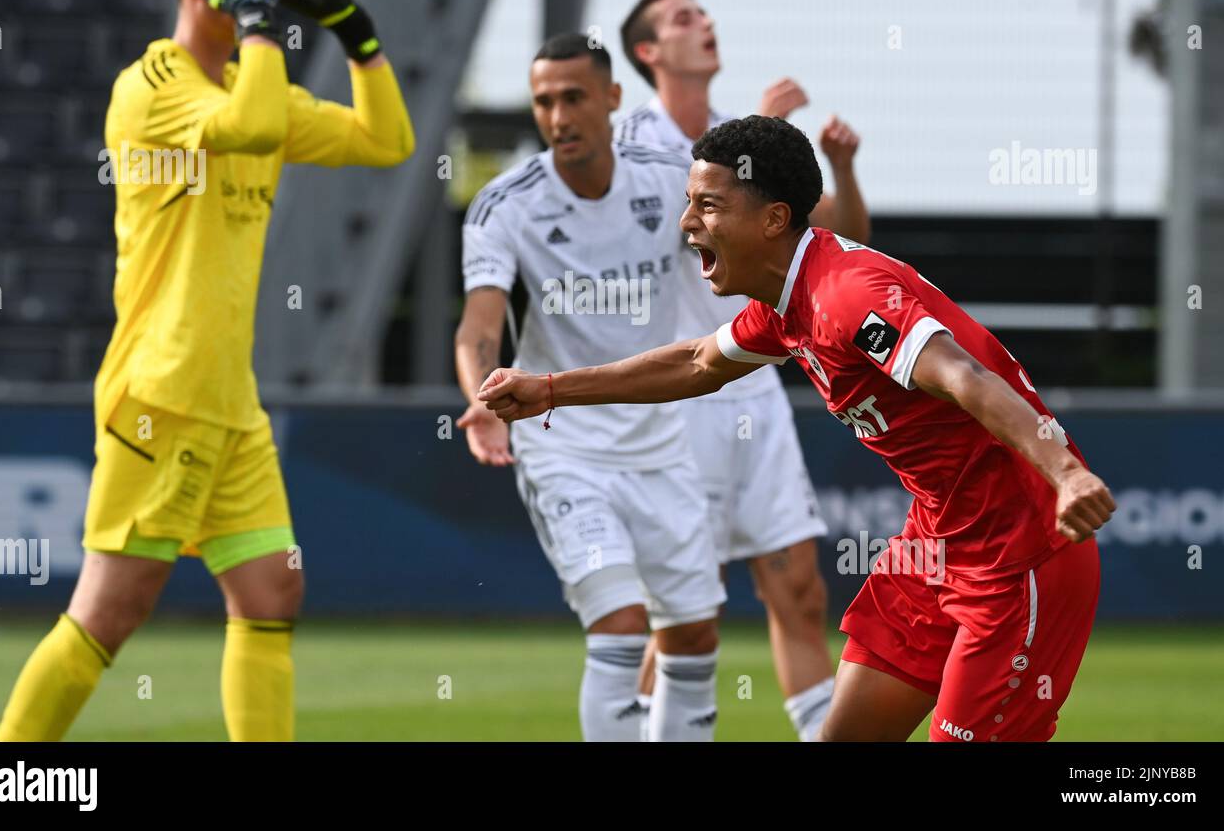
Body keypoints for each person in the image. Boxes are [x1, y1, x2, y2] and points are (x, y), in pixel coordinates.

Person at [478, 115, 1115, 742]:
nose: (687, 223)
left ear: (773, 219)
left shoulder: (845, 296)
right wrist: (550, 389)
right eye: (688, 202)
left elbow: (966, 378)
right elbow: (698, 363)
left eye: (708, 205)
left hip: (1024, 555)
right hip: (937, 547)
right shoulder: (786, 305)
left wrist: (1067, 473)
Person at [0, 0, 415, 742]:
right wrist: (259, 25)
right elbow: (252, 128)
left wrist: (353, 31)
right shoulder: (152, 88)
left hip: (229, 400)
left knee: (270, 592)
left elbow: (388, 138)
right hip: (163, 390)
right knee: (112, 611)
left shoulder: (247, 87)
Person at [615, 0, 870, 739]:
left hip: (751, 389)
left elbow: (842, 241)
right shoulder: (631, 145)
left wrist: (837, 168)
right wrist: (761, 143)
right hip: (676, 392)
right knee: (686, 615)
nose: (706, 24)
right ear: (649, 53)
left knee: (799, 591)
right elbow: (673, 239)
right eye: (683, 19)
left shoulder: (743, 142)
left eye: (705, 14)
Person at [454, 34, 723, 741]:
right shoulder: (503, 205)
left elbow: (754, 247)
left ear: (611, 99)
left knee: (692, 638)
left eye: (574, 97)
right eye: (543, 101)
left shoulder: (672, 179)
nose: (558, 115)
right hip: (562, 445)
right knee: (621, 625)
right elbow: (478, 329)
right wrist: (482, 402)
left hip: (661, 446)